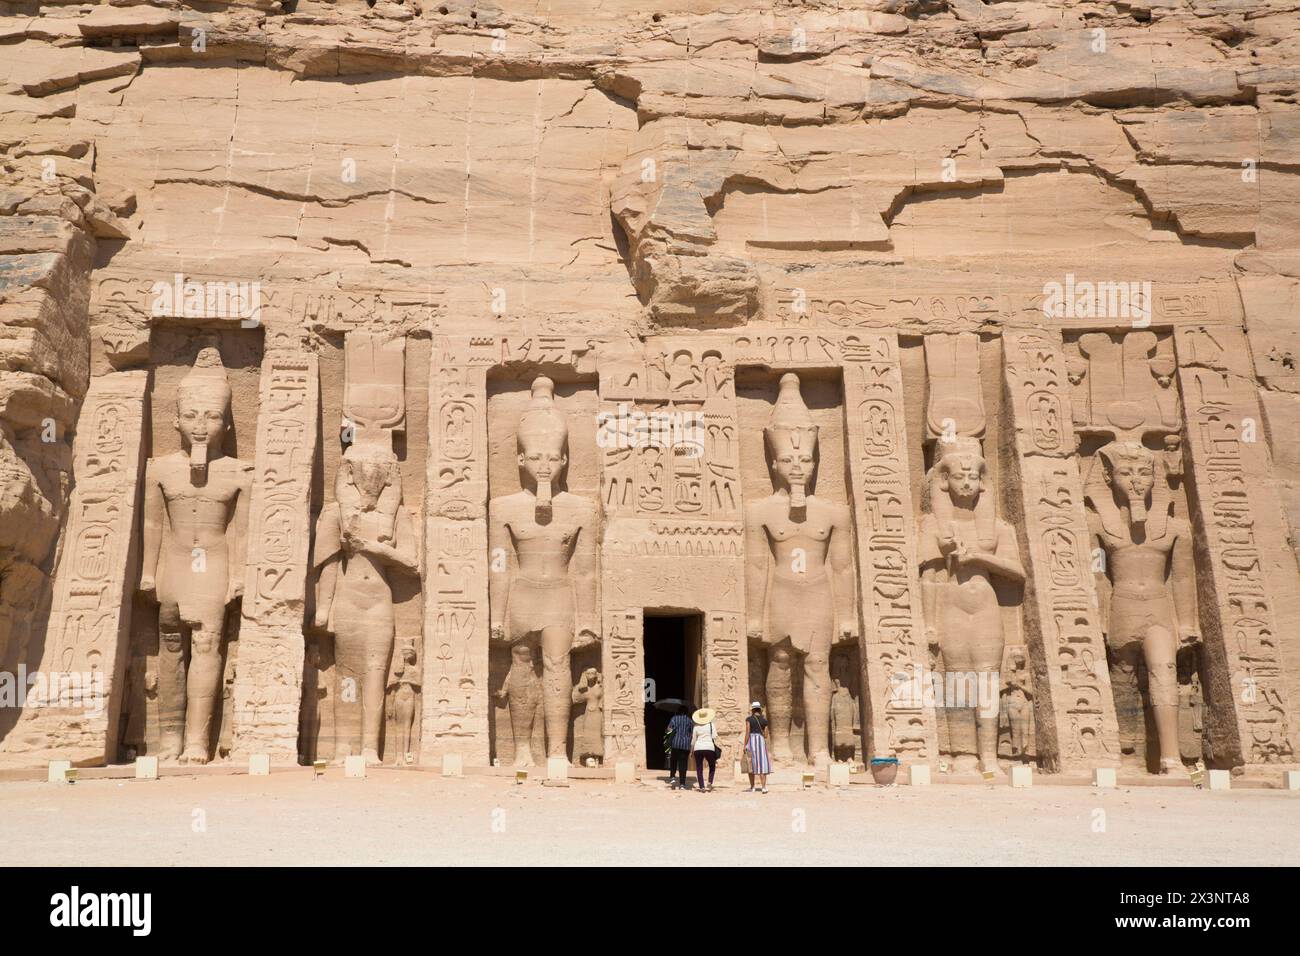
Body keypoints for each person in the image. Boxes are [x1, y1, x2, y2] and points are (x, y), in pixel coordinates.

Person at [740, 701, 771, 793]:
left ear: (753, 710)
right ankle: (764, 787)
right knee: (762, 764)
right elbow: (766, 735)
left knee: (750, 763)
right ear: (760, 710)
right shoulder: (764, 720)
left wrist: (745, 744)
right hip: (761, 742)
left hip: (752, 742)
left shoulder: (749, 719)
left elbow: (747, 732)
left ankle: (752, 787)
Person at [691, 707, 721, 793]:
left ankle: (701, 787)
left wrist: (691, 751)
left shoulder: (696, 727)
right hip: (709, 747)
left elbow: (693, 740)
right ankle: (710, 782)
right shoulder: (711, 725)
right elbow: (714, 736)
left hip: (698, 748)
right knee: (712, 765)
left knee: (699, 767)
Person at [667, 704, 695, 790]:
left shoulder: (674, 718)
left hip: (676, 742)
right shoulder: (689, 721)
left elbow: (669, 729)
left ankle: (672, 777)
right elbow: (692, 732)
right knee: (683, 764)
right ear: (686, 712)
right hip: (685, 744)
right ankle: (682, 784)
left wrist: (674, 731)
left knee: (673, 760)